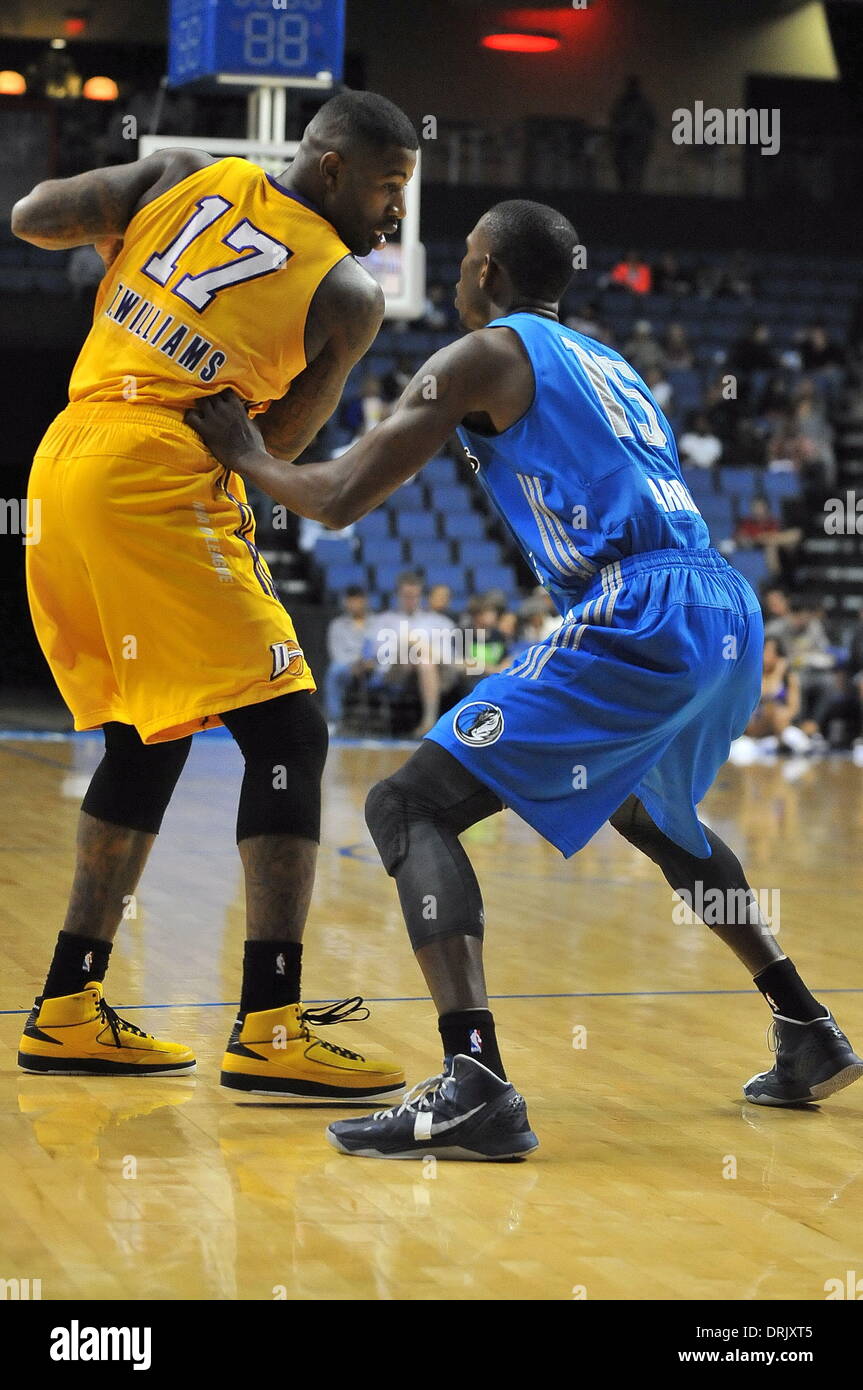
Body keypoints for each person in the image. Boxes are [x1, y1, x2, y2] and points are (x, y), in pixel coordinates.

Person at [188, 198, 862, 1160]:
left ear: (490, 270)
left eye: (463, 259)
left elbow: (336, 498)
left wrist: (245, 454)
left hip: (641, 603)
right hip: (723, 604)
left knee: (406, 807)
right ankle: (804, 1027)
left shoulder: (483, 354)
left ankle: (476, 1084)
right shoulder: (611, 361)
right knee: (651, 816)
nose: (457, 276)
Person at [11, 89, 420, 1101]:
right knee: (290, 734)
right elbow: (272, 448)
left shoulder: (180, 169)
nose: (394, 215)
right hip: (156, 472)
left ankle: (68, 1005)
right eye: (386, 187)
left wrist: (132, 257)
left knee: (145, 737)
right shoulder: (348, 294)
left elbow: (32, 216)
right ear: (331, 168)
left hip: (62, 461)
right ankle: (270, 1023)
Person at [324, 585, 377, 725]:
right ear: (346, 603)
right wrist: (356, 663)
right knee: (334, 671)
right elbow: (336, 654)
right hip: (349, 669)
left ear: (365, 601)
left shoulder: (377, 623)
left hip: (374, 668)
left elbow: (384, 648)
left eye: (358, 601)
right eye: (351, 601)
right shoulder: (337, 625)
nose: (355, 605)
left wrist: (371, 662)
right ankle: (334, 720)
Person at [609, 77, 656, 192]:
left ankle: (634, 193)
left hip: (638, 142)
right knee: (623, 170)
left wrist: (642, 132)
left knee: (636, 171)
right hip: (624, 141)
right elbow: (614, 119)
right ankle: (626, 192)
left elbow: (653, 122)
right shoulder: (623, 103)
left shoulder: (643, 104)